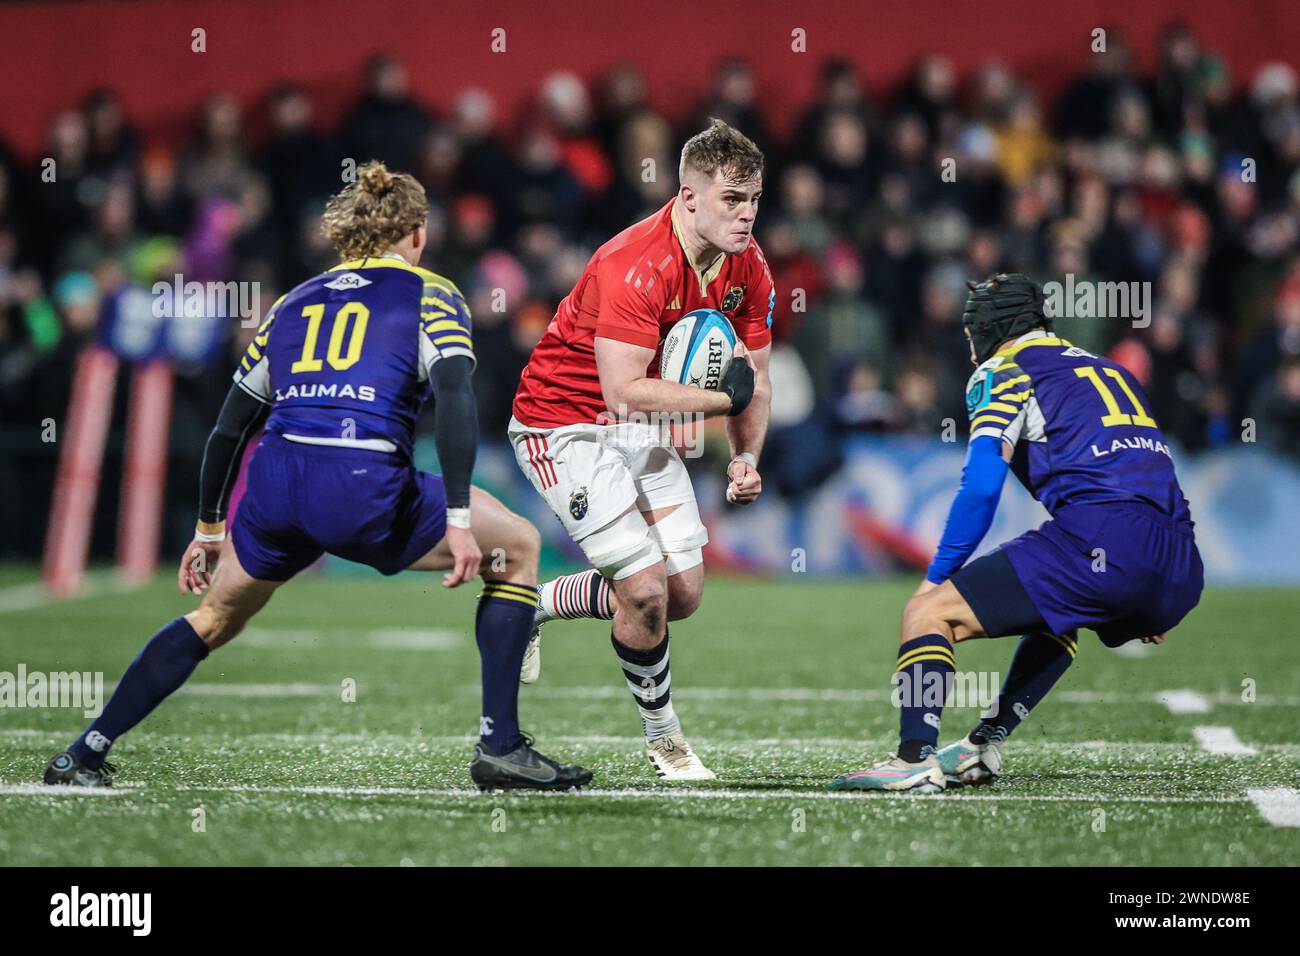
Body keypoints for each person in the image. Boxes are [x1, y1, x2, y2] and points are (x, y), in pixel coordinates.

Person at [44, 161, 590, 792]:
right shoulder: (433, 293)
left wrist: (208, 526)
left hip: (275, 486)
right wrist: (460, 521)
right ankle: (501, 746)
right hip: (360, 486)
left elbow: (230, 429)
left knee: (215, 616)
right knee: (518, 546)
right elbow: (458, 402)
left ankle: (84, 750)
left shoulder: (290, 302)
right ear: (416, 232)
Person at [829, 273, 1203, 793]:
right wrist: (1158, 582)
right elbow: (1156, 473)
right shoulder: (1111, 370)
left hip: (1109, 536)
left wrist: (937, 576)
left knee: (928, 612)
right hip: (1180, 559)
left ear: (992, 328)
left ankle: (913, 757)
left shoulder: (1005, 370)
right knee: (1059, 613)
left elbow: (981, 488)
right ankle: (984, 744)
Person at [508, 120, 773, 780]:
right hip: (562, 426)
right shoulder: (635, 262)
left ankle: (533, 605)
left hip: (639, 424)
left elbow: (755, 377)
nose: (746, 215)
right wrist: (722, 404)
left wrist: (746, 458)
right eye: (731, 199)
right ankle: (665, 740)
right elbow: (625, 392)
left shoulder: (749, 265)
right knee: (647, 593)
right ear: (688, 199)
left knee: (681, 595)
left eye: (753, 199)